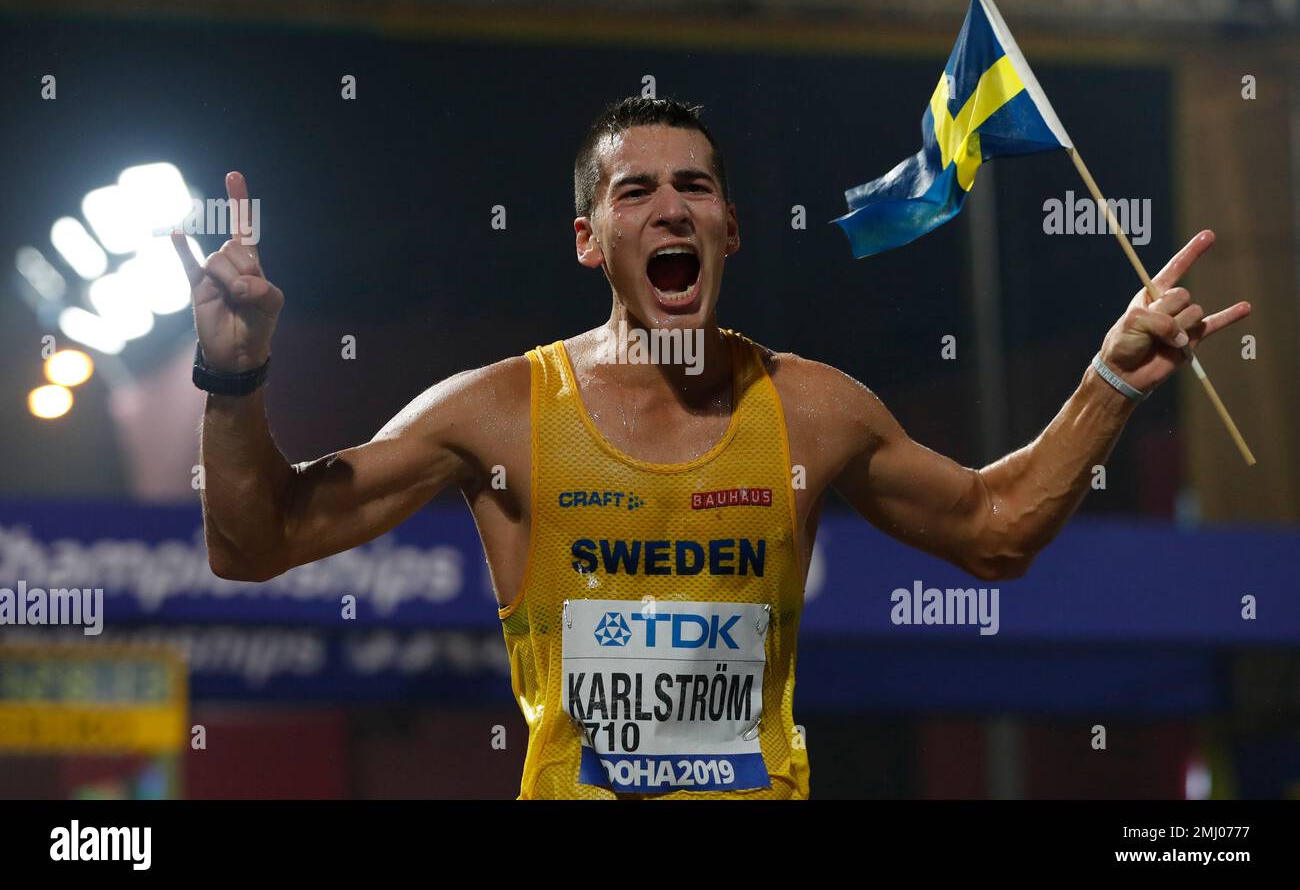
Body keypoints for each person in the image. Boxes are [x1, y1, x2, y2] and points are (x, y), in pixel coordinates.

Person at [171, 96, 1251, 799]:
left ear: (728, 229)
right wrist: (231, 374)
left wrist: (1109, 379)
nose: (668, 208)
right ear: (592, 242)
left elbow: (994, 531)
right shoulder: (496, 413)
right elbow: (254, 544)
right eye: (633, 191)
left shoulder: (812, 408)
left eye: (693, 187)